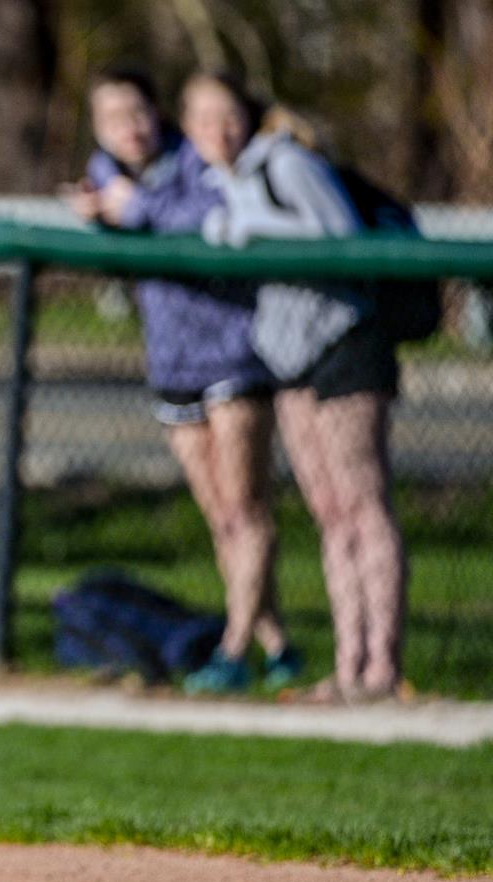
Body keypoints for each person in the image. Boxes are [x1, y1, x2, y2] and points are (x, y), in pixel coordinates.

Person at [64, 66, 298, 694]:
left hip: (232, 353)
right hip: (170, 363)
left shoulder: (196, 154)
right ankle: (277, 646)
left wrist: (136, 209)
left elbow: (211, 212)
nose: (129, 129)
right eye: (113, 119)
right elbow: (121, 216)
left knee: (247, 509)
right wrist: (99, 214)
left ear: (157, 112)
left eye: (137, 113)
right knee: (221, 515)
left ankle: (234, 646)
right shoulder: (106, 171)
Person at [185, 72, 407, 703]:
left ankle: (383, 669)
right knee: (331, 515)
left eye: (227, 116)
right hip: (288, 359)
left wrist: (250, 227)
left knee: (365, 509)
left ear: (249, 116)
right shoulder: (219, 184)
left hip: (344, 345)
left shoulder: (286, 163)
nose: (216, 132)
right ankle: (347, 667)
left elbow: (342, 238)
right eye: (201, 120)